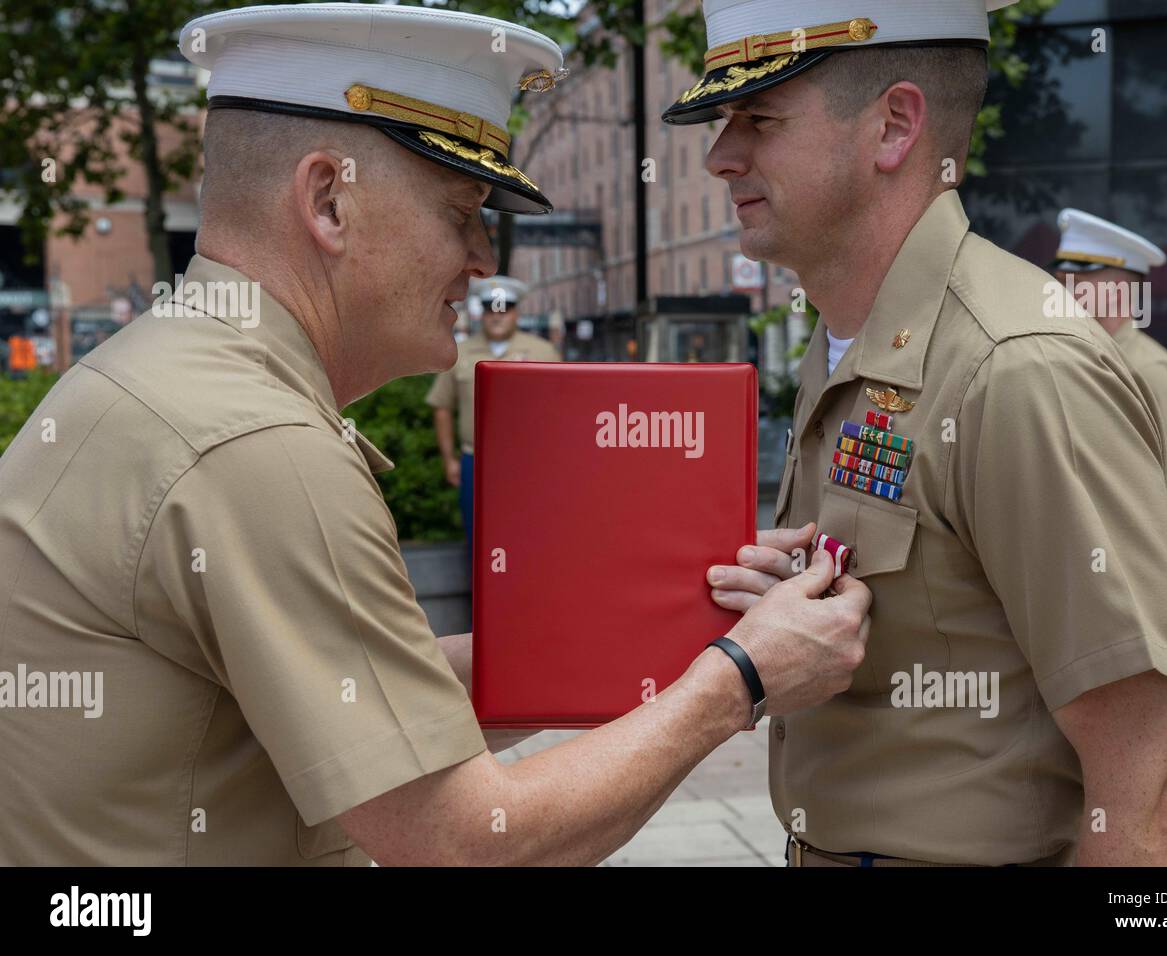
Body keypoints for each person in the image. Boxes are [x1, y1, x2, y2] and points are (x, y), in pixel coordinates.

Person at [0, 3, 871, 866]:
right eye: (461, 209)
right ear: (329, 201)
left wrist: (676, 631)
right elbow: (463, 842)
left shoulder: (182, 377)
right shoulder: (254, 442)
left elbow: (375, 703)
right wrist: (740, 680)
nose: (485, 259)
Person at [678, 0, 1167, 866]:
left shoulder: (1019, 365)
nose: (718, 155)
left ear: (894, 127)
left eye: (761, 118)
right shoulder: (848, 335)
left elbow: (1156, 792)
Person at [1051, 208, 1167, 571]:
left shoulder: (1153, 371)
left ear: (1119, 288)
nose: (1062, 287)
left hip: (1136, 579)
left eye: (1079, 278)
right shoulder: (1075, 358)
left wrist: (1165, 613)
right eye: (1061, 277)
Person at [427, 276, 559, 576]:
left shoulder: (543, 353)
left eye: (505, 309)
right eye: (491, 309)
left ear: (517, 313)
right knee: (481, 544)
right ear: (482, 313)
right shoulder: (458, 353)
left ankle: (531, 612)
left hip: (533, 466)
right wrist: (449, 459)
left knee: (535, 541)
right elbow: (441, 405)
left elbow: (564, 411)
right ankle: (486, 616)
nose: (497, 316)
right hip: (477, 463)